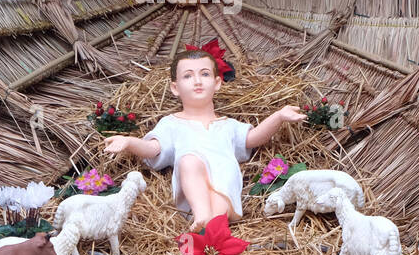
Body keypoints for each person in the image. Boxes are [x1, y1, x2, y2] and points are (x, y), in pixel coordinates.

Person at [103, 49, 305, 242]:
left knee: (220, 200)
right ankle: (201, 216)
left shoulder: (228, 125)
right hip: (192, 189)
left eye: (205, 74)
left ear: (217, 83)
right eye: (188, 76)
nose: (197, 81)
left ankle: (211, 228)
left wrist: (279, 116)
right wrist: (129, 142)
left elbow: (253, 138)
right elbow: (153, 149)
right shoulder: (171, 123)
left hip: (225, 183)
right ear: (175, 87)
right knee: (190, 160)